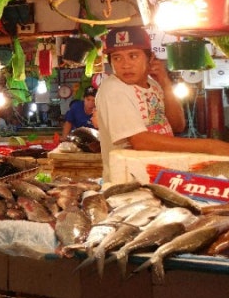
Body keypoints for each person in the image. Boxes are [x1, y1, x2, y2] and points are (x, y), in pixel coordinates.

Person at [96, 25, 229, 182]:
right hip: (130, 181)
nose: (125, 65)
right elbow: (141, 141)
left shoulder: (153, 84)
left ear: (150, 58)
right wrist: (208, 146)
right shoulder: (114, 89)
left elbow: (177, 125)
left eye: (133, 56)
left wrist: (165, 83)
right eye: (117, 58)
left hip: (159, 176)